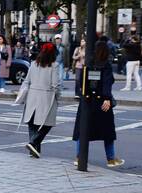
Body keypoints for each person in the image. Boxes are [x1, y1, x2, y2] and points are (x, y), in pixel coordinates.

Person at [72, 38, 123, 168]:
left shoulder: (88, 64)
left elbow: (82, 83)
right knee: (107, 131)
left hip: (88, 101)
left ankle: (79, 157)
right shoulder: (106, 65)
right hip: (101, 101)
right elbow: (106, 83)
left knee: (82, 130)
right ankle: (111, 159)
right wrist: (106, 98)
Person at [15, 42, 61, 158]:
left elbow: (27, 81)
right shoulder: (54, 65)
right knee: (47, 124)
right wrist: (58, 96)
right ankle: (33, 143)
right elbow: (55, 84)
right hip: (47, 97)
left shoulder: (34, 64)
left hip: (32, 96)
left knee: (32, 123)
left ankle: (34, 151)